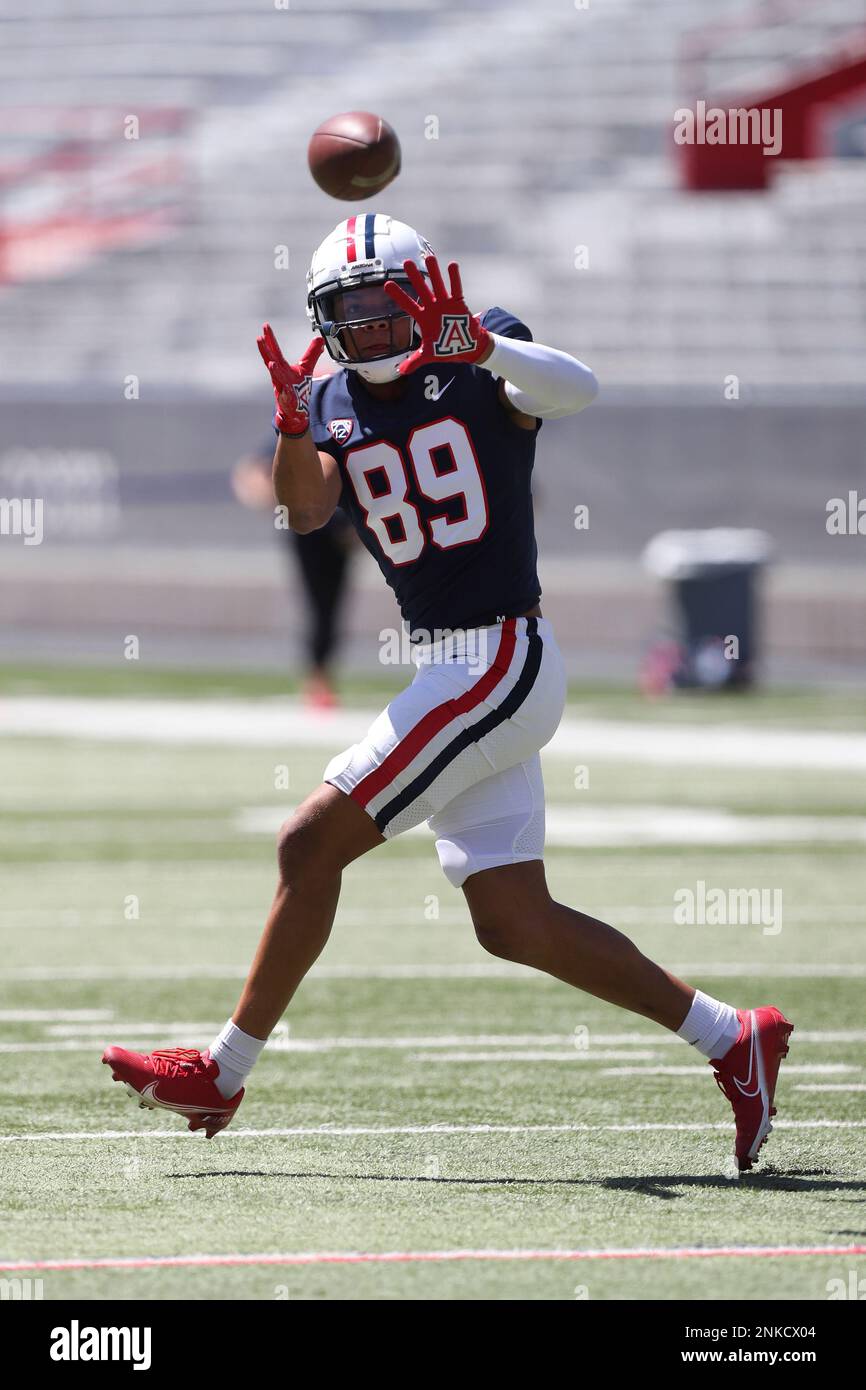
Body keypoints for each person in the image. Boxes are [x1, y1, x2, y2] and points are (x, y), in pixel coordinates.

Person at [103, 215, 793, 1173]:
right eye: (348, 313)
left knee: (308, 841)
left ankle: (224, 1069)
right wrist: (291, 423)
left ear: (422, 292)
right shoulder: (333, 397)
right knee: (512, 920)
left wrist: (491, 344)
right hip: (454, 665)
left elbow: (579, 388)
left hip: (498, 657)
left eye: (384, 307)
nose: (370, 328)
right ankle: (733, 1037)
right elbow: (305, 510)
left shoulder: (479, 354)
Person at [232, 440, 355, 708]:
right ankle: (317, 677)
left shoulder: (343, 427)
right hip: (308, 533)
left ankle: (321, 675)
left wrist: (357, 529)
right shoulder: (305, 424)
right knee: (318, 604)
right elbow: (251, 471)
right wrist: (271, 496)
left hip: (340, 531)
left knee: (332, 604)